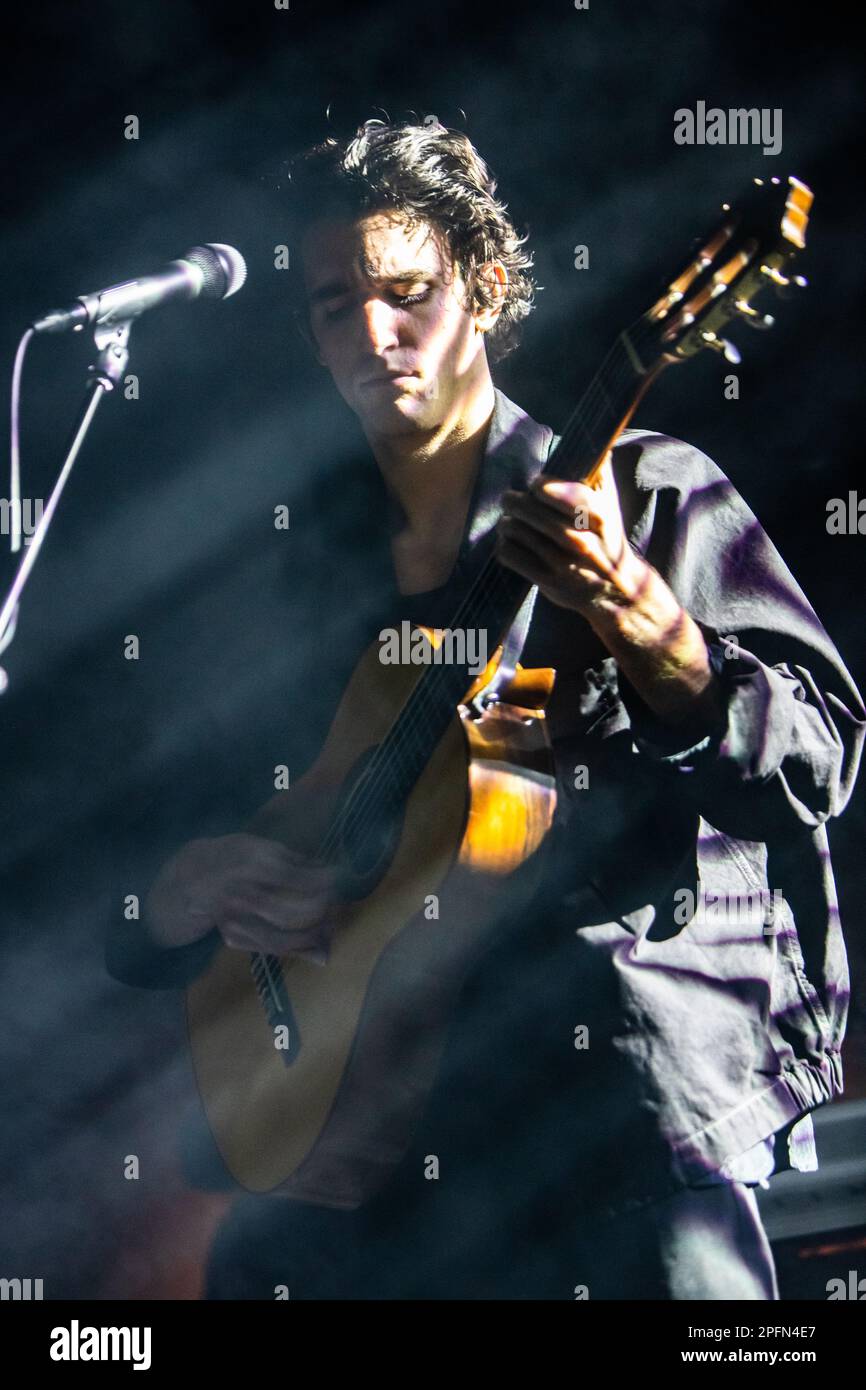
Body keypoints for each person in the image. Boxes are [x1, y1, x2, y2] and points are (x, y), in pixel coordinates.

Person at [106, 120, 865, 1299]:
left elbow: (816, 762)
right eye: (330, 304)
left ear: (487, 289)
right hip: (363, 1156)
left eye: (407, 290)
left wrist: (645, 617)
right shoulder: (303, 564)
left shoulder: (648, 492)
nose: (371, 331)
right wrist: (175, 893)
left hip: (612, 1125)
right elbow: (172, 832)